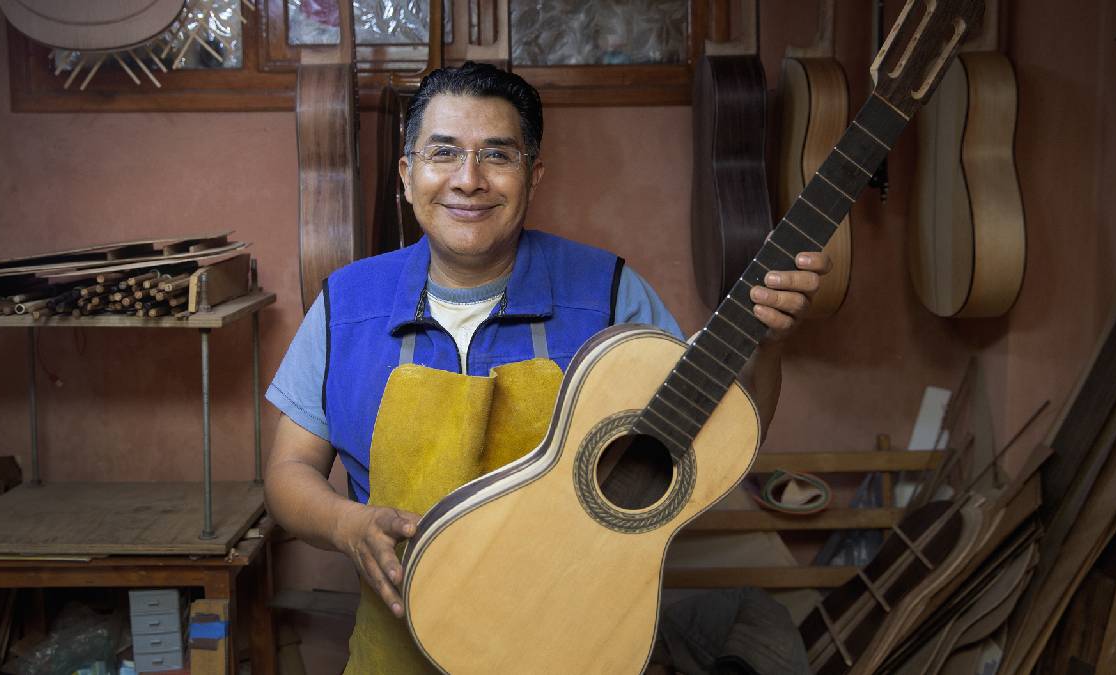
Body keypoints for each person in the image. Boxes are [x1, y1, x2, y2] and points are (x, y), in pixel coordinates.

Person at [263, 61, 831, 673]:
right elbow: (289, 473)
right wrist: (350, 524)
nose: (468, 179)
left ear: (533, 175)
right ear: (408, 174)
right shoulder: (345, 305)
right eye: (443, 153)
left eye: (497, 156)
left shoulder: (609, 293)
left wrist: (768, 347)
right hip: (395, 653)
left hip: (581, 647)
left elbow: (716, 442)